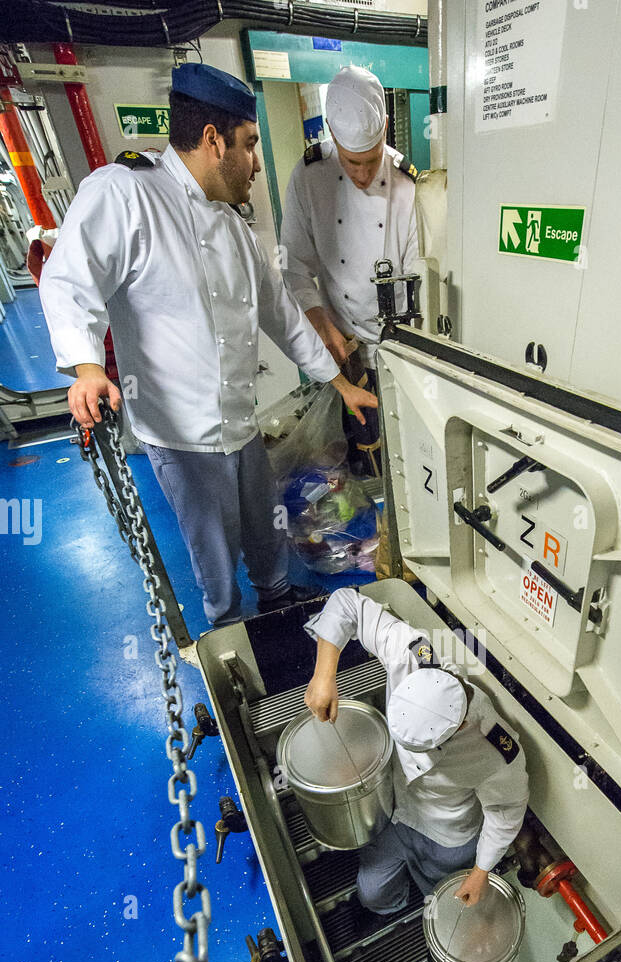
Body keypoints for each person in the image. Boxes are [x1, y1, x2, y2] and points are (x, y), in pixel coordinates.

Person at [39, 61, 377, 628]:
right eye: (249, 146)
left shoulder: (233, 226)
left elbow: (282, 315)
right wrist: (87, 367)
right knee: (213, 551)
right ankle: (229, 627)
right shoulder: (126, 193)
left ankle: (276, 597)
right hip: (181, 433)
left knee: (264, 523)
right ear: (213, 141)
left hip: (238, 421)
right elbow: (70, 280)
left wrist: (340, 384)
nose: (256, 165)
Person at [303, 589, 530, 921]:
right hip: (392, 811)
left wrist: (480, 872)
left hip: (445, 838)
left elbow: (506, 811)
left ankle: (426, 908)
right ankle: (390, 906)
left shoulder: (496, 750)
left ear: (461, 724)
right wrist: (324, 675)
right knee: (373, 893)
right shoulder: (412, 654)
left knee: (438, 896)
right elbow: (347, 603)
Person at [279, 65, 419, 475]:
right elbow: (295, 265)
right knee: (358, 458)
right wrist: (318, 318)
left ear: (386, 129)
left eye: (371, 161)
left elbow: (418, 278)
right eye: (352, 161)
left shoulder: (407, 184)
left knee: (408, 460)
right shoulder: (307, 177)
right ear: (331, 134)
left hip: (399, 348)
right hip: (345, 350)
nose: (361, 174)